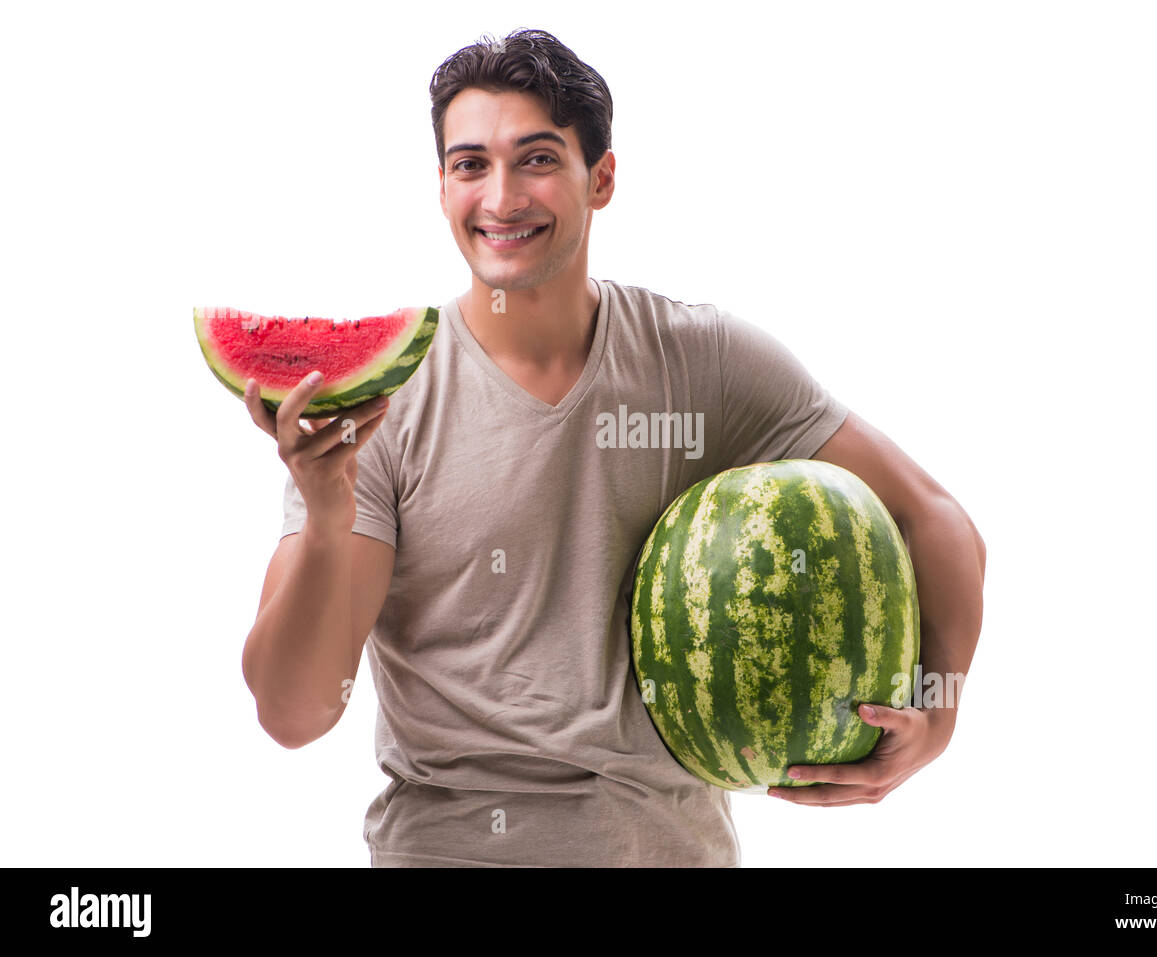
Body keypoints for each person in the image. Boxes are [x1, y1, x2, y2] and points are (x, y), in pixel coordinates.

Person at [239, 28, 986, 867]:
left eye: (537, 159)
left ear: (602, 179)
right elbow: (293, 713)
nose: (501, 197)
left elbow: (934, 519)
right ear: (442, 184)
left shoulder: (702, 362)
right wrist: (329, 513)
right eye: (469, 164)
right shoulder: (387, 402)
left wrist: (939, 710)